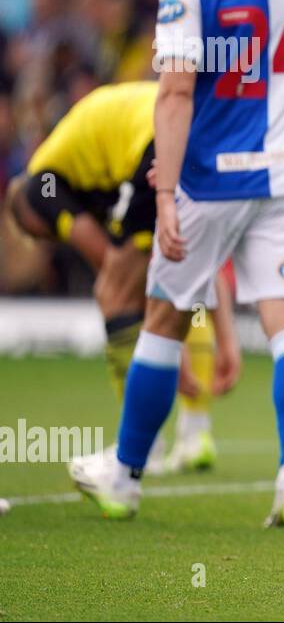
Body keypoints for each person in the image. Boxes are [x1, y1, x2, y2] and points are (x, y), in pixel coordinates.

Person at [69, 0, 284, 526]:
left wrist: (163, 190)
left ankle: (122, 476)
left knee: (163, 322)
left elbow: (176, 93)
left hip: (212, 176)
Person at [6, 81, 241, 473]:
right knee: (185, 263)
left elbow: (109, 263)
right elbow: (202, 269)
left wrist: (168, 345)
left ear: (27, 220)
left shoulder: (37, 190)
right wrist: (226, 339)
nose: (44, 238)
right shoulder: (83, 173)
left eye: (35, 234)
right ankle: (195, 431)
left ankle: (139, 447)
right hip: (198, 127)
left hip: (156, 139)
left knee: (112, 291)